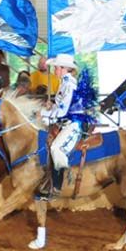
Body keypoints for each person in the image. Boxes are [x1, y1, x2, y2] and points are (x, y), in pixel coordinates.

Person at [40, 54, 86, 196]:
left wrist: (44, 114)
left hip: (73, 123)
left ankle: (59, 186)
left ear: (64, 69)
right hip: (66, 121)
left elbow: (63, 111)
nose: (54, 70)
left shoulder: (69, 85)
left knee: (56, 148)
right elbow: (60, 105)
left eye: (56, 67)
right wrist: (51, 106)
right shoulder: (64, 82)